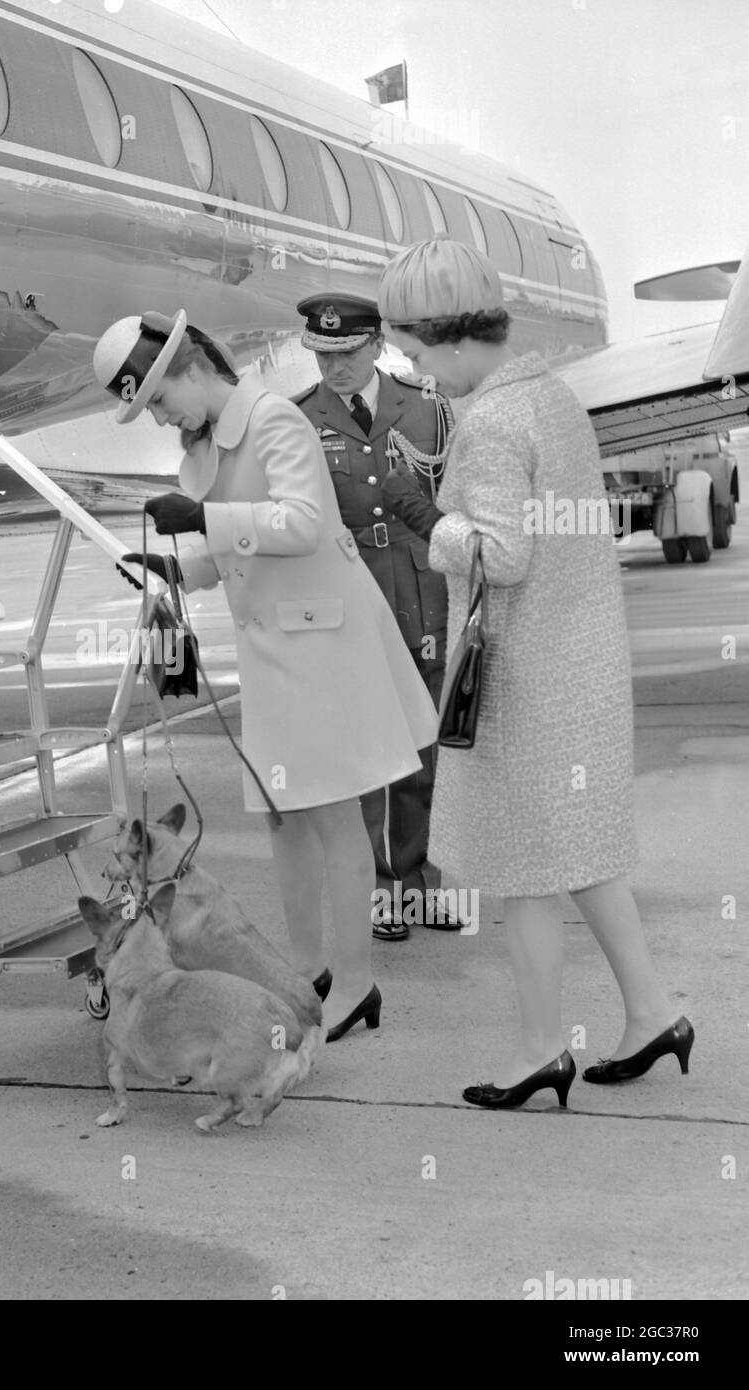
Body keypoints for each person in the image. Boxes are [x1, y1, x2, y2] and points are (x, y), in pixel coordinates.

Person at [376, 235, 694, 1108]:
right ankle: (650, 1014)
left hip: (524, 672)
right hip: (581, 659)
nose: (413, 368)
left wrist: (422, 520)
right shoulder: (550, 398)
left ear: (445, 337)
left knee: (522, 871)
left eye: (411, 350)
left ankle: (539, 1048)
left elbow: (501, 556)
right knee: (579, 855)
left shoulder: (487, 420)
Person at [93, 310, 439, 1041]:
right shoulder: (210, 443)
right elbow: (240, 552)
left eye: (157, 401)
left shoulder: (273, 419)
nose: (159, 418)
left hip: (323, 644)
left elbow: (303, 523)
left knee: (336, 816)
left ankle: (355, 982)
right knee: (286, 817)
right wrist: (180, 566)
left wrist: (203, 522)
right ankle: (306, 970)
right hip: (279, 648)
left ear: (188, 371)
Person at [292, 293, 461, 939]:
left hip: (423, 589)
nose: (333, 366)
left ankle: (420, 883)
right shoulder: (297, 419)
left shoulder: (427, 408)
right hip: (351, 592)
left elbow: (453, 500)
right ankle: (381, 889)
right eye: (322, 353)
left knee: (426, 742)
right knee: (369, 743)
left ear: (376, 343)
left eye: (347, 353)